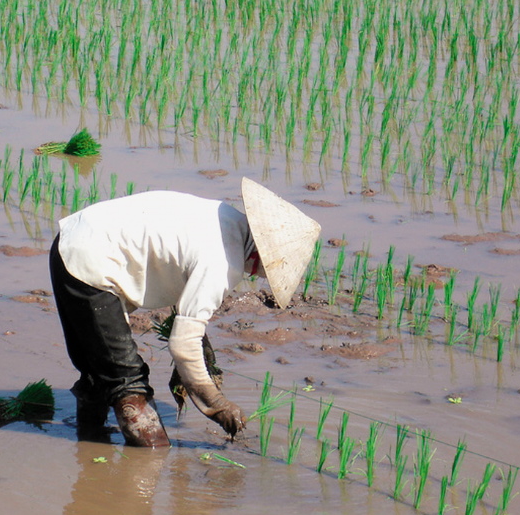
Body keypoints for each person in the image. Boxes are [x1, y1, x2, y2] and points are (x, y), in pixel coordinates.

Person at [49, 177, 321, 447]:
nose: (256, 275)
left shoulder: (224, 216)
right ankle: (148, 457)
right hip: (91, 264)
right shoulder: (225, 262)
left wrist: (199, 349)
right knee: (126, 381)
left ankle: (89, 446)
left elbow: (174, 264)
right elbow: (183, 344)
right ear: (261, 255)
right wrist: (215, 403)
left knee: (98, 366)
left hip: (72, 240)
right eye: (265, 270)